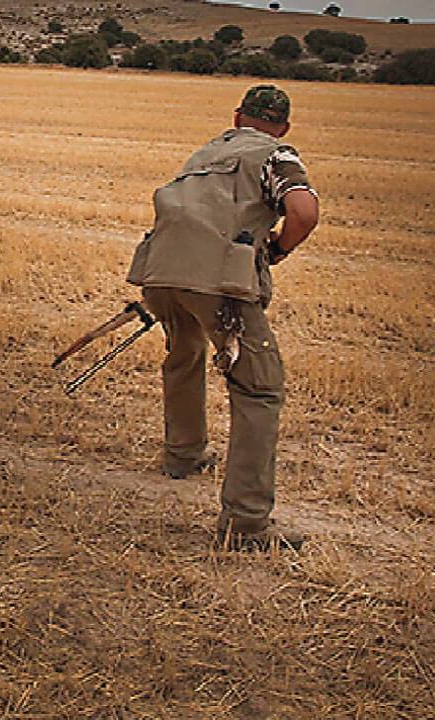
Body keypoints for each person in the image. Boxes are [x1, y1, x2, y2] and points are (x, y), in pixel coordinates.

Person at [127, 84, 319, 551]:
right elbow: (304, 211)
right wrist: (277, 249)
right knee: (259, 388)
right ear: (284, 127)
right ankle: (246, 524)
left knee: (184, 355)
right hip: (219, 284)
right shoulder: (277, 154)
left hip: (160, 275)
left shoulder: (204, 154)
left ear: (237, 119)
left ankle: (183, 455)